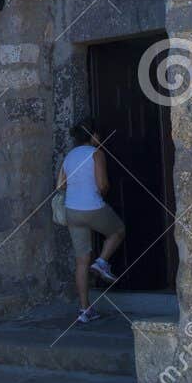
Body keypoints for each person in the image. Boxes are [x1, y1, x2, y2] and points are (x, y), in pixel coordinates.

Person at [57, 119, 125, 324]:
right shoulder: (96, 153)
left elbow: (60, 185)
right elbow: (102, 184)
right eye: (99, 135)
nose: (100, 139)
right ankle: (102, 262)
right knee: (118, 231)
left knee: (81, 261)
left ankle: (84, 309)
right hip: (92, 207)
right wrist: (102, 192)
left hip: (72, 210)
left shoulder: (69, 156)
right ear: (93, 136)